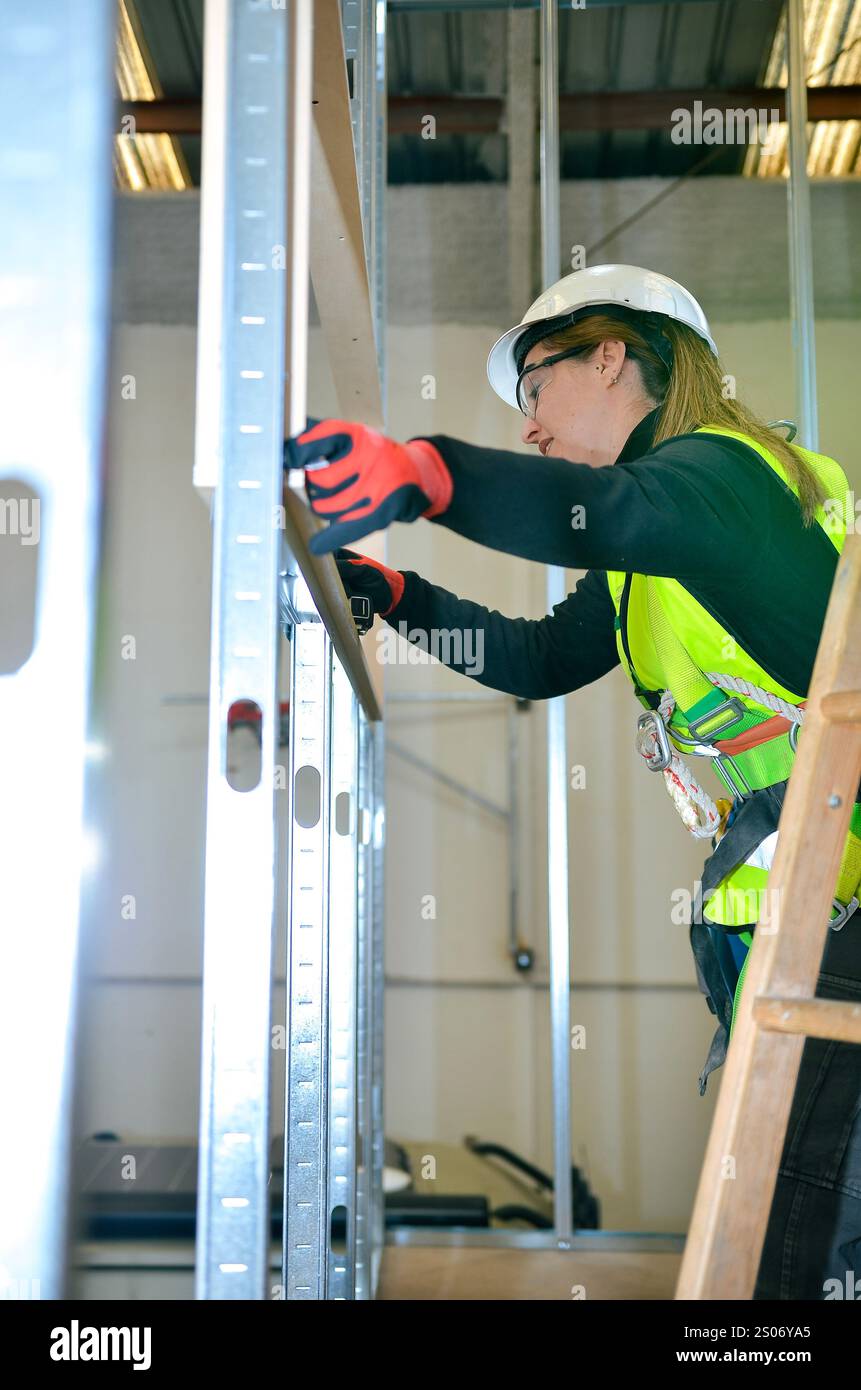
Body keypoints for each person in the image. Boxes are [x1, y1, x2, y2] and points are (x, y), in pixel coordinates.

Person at [284, 263, 861, 1299]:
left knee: (803, 1257)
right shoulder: (659, 543)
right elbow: (544, 657)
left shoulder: (723, 480)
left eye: (536, 387)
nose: (531, 428)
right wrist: (401, 593)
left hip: (846, 927)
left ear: (614, 356)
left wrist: (430, 473)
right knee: (780, 1242)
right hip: (797, 921)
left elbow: (603, 510)